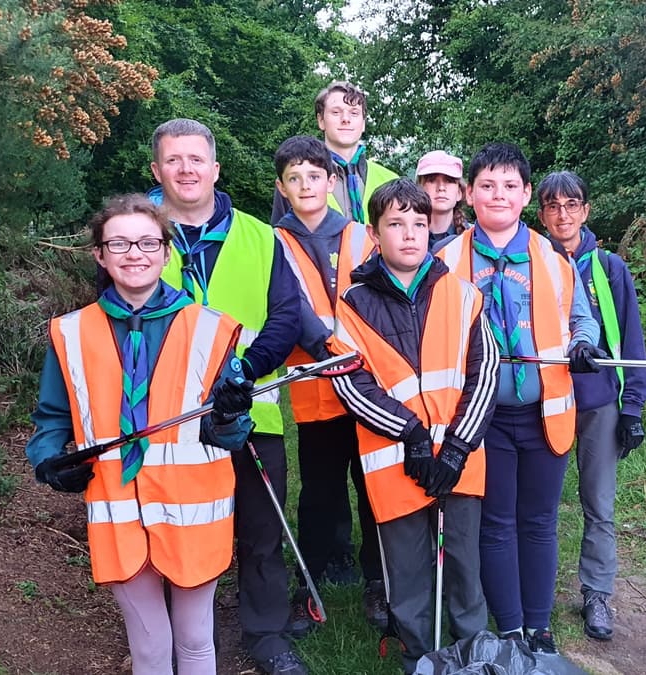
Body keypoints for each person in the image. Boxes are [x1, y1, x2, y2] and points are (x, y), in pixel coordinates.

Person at [26, 194, 256, 675]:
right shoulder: (70, 333)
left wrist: (232, 415)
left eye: (148, 242)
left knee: (195, 639)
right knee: (149, 646)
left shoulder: (210, 329)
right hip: (118, 510)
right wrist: (48, 461)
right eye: (120, 243)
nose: (135, 254)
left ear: (166, 252)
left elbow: (230, 435)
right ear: (99, 254)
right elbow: (52, 416)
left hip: (194, 510)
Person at [147, 119, 309, 675]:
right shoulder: (140, 236)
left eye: (196, 159)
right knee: (180, 533)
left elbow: (286, 317)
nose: (186, 169)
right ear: (157, 170)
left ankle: (266, 634)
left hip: (251, 412)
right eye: (174, 160)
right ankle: (189, 638)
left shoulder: (261, 237)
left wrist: (245, 370)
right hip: (171, 421)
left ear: (216, 169)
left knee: (261, 530)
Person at [435, 143, 606, 654]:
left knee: (539, 522)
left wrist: (583, 345)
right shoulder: (446, 260)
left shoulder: (552, 258)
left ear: (527, 194)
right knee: (496, 523)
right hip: (480, 418)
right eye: (487, 186)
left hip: (544, 412)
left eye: (510, 186)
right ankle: (509, 626)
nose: (499, 195)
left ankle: (539, 626)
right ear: (469, 193)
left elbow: (582, 319)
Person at [327, 179, 499, 674]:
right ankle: (418, 658)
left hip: (460, 463)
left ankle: (474, 656)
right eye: (396, 224)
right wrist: (413, 436)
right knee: (406, 575)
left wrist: (457, 448)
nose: (409, 234)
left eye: (419, 224)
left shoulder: (463, 294)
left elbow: (485, 373)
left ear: (430, 229)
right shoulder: (353, 304)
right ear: (374, 233)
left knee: (464, 567)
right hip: (395, 464)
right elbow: (351, 383)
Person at [271, 135, 388, 631]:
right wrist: (324, 348)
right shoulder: (273, 241)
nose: (305, 185)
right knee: (319, 494)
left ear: (331, 180)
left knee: (374, 486)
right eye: (294, 178)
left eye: (314, 176)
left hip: (368, 385)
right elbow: (288, 304)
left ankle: (379, 582)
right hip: (316, 387)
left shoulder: (363, 235)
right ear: (282, 187)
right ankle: (309, 586)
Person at [538, 171, 646, 641]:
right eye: (553, 206)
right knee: (537, 507)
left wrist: (633, 407)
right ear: (541, 214)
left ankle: (597, 593)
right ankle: (533, 596)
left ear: (585, 211)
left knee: (598, 504)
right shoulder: (532, 261)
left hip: (599, 402)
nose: (562, 215)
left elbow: (631, 338)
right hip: (543, 400)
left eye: (571, 205)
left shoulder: (609, 268)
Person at [271, 81, 399, 226]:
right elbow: (280, 236)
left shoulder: (391, 180)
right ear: (321, 120)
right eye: (336, 112)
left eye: (354, 113)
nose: (345, 119)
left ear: (363, 123)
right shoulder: (295, 179)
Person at [415, 150, 468, 248]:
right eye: (432, 180)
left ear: (459, 193)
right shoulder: (406, 237)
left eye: (449, 181)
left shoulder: (474, 238)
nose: (441, 188)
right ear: (419, 189)